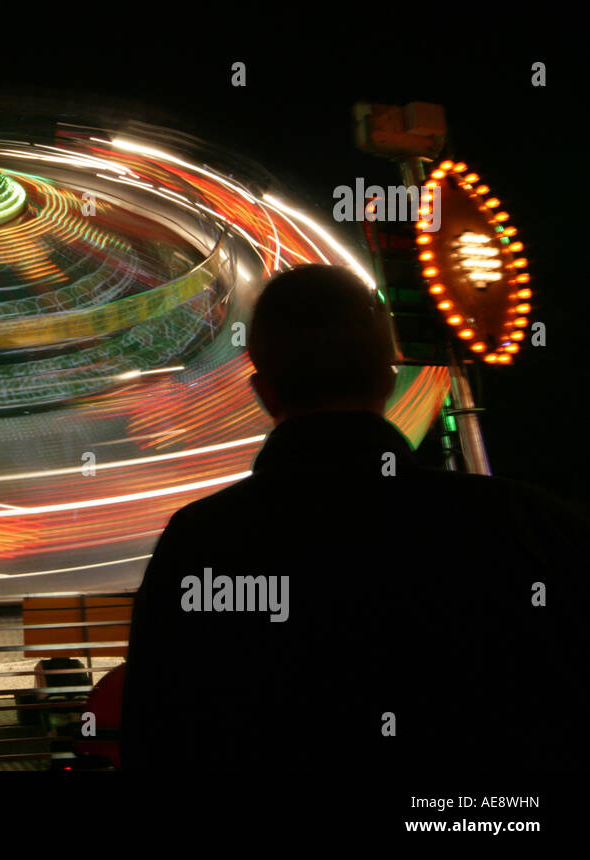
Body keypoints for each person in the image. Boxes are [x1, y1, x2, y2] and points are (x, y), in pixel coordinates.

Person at [121, 265, 590, 773]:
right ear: (388, 377)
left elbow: (157, 733)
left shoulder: (199, 544)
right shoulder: (530, 525)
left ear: (264, 393)